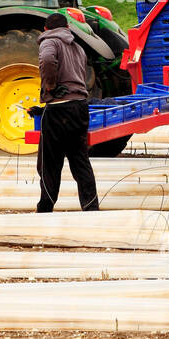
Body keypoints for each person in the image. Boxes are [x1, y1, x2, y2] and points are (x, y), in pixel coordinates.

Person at [34, 12, 99, 212]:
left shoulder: (49, 42)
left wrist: (51, 87)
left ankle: (45, 208)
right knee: (80, 161)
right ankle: (90, 206)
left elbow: (46, 60)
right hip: (79, 106)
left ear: (46, 29)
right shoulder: (78, 47)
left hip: (58, 109)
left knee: (49, 163)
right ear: (68, 28)